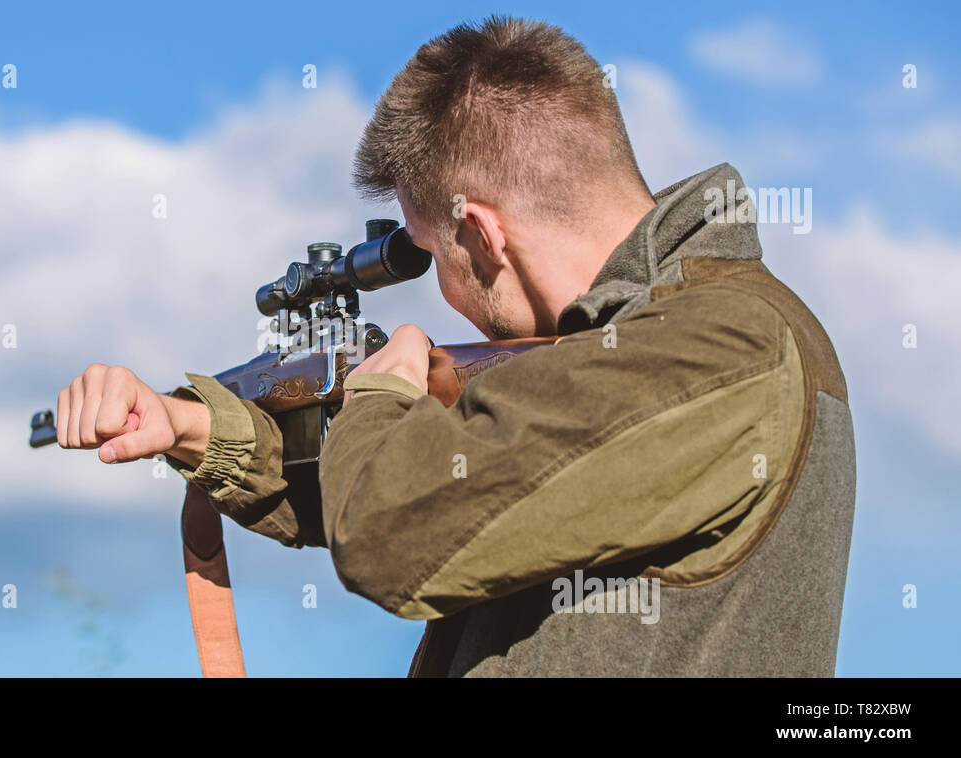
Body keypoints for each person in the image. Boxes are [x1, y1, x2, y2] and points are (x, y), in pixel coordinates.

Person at [52, 16, 856, 677]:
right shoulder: (639, 341)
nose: (442, 291)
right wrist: (191, 426)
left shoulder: (720, 341)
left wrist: (378, 393)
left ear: (479, 234)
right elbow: (470, 485)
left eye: (432, 254)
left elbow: (396, 530)